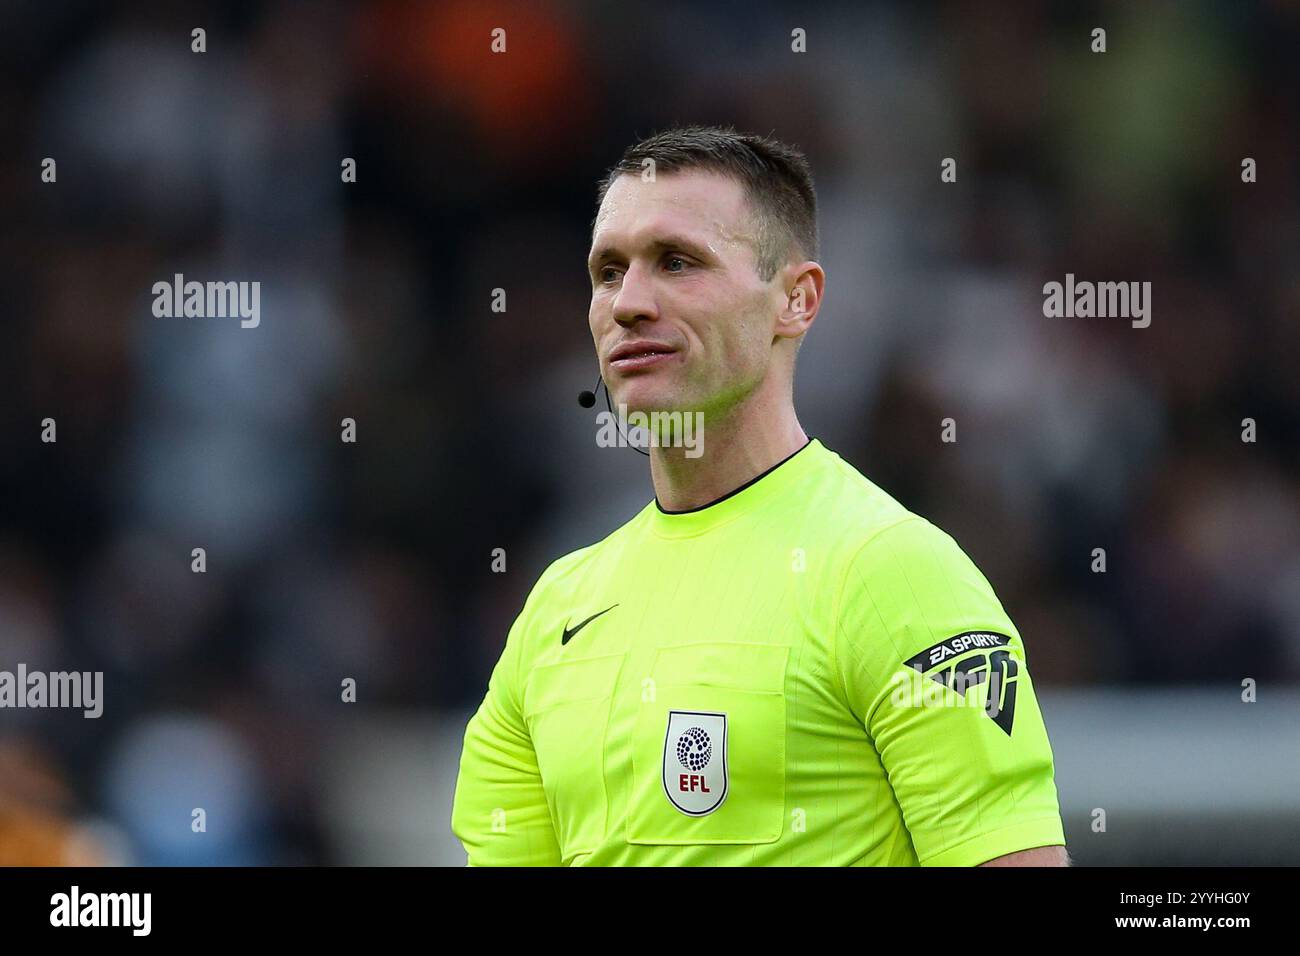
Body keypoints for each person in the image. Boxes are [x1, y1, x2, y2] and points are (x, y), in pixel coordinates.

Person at [451, 125, 1067, 866]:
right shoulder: (555, 613)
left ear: (796, 301)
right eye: (609, 271)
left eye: (677, 262)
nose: (629, 304)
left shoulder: (891, 572)